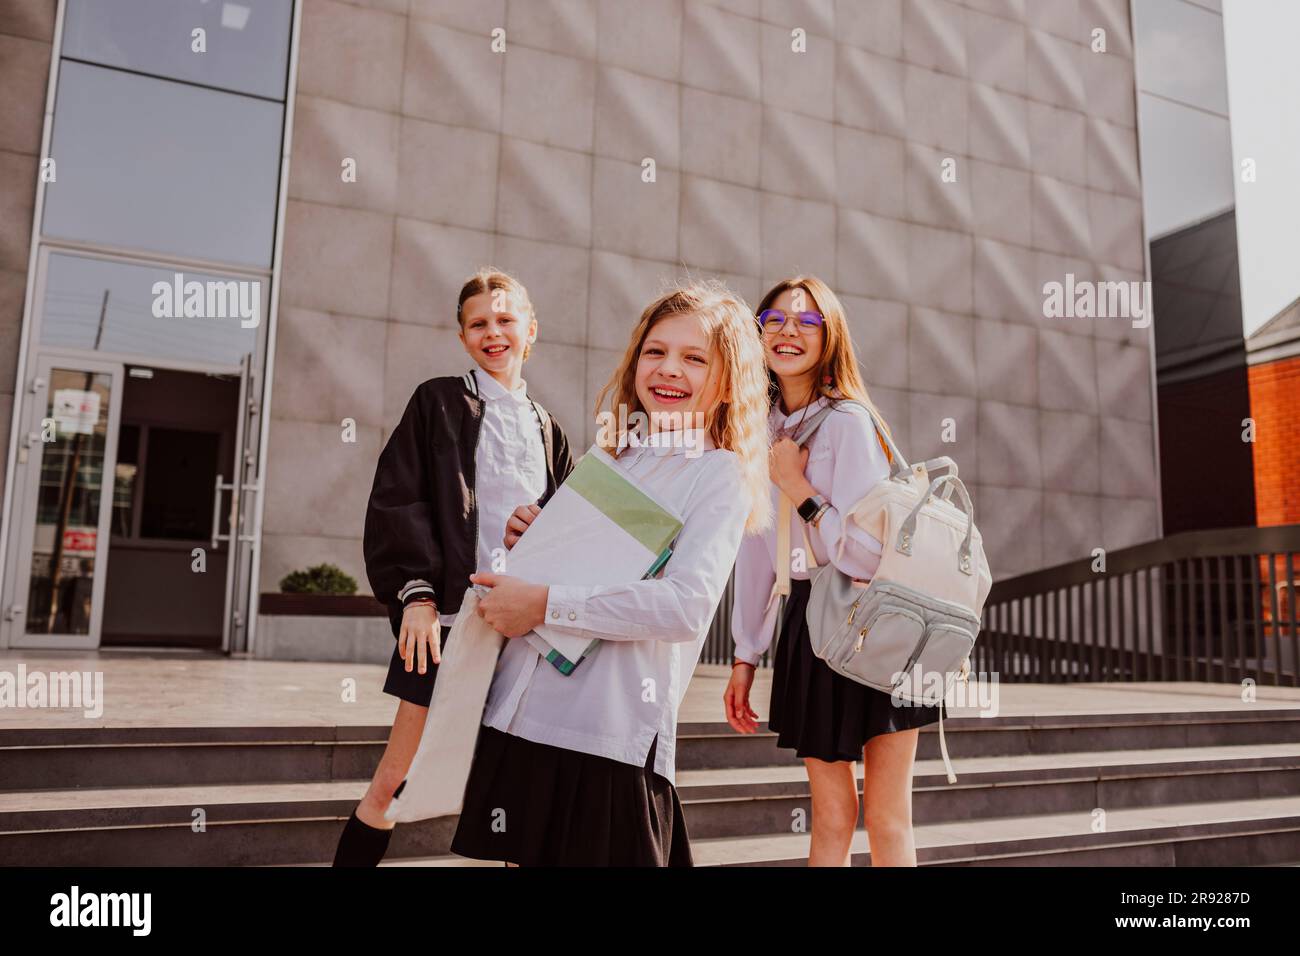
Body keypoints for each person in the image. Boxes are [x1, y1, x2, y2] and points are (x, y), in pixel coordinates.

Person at [447, 280, 771, 866]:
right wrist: (537, 537)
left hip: (605, 735)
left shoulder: (717, 474)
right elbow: (585, 566)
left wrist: (545, 602)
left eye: (694, 358)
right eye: (656, 351)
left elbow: (684, 606)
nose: (668, 369)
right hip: (524, 716)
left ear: (728, 383)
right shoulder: (612, 453)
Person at [331, 267, 574, 866]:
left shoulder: (550, 431)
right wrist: (414, 596)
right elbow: (398, 499)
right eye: (478, 324)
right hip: (446, 622)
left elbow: (571, 530)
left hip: (526, 629)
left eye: (505, 319)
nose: (493, 333)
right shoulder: (437, 402)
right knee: (396, 779)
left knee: (521, 791)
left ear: (531, 330)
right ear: (462, 336)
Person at [724, 275, 944, 867]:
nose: (788, 331)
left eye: (806, 321)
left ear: (830, 337)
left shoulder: (848, 422)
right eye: (774, 320)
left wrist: (796, 486)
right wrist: (747, 652)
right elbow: (755, 554)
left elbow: (866, 556)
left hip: (878, 622)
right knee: (831, 814)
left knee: (887, 815)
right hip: (809, 625)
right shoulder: (758, 432)